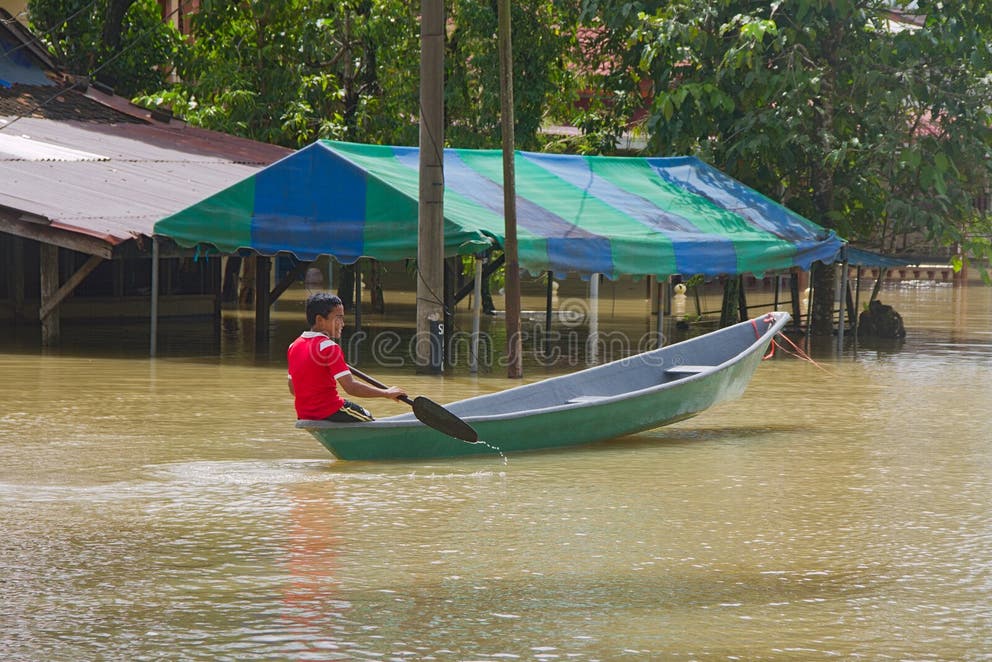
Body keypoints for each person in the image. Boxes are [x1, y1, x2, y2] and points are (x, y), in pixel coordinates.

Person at [288, 292, 406, 421]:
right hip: (331, 410)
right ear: (320, 320)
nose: (343, 324)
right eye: (338, 318)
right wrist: (386, 393)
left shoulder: (294, 346)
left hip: (305, 414)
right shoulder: (329, 347)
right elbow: (351, 388)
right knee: (368, 417)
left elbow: (293, 388)